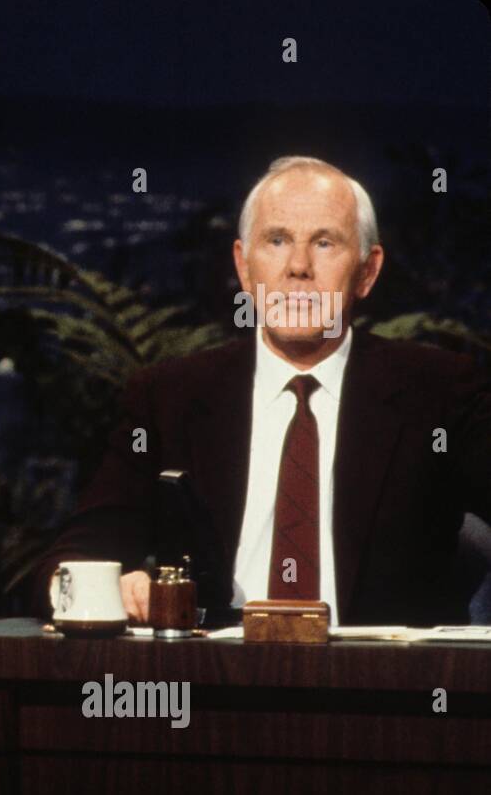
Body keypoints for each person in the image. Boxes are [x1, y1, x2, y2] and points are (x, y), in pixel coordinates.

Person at [31, 156, 491, 627]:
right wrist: (114, 587)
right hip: (214, 680)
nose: (298, 267)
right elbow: (75, 558)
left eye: (325, 242)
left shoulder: (439, 391)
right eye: (277, 241)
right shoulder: (169, 398)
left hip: (380, 686)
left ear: (368, 272)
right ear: (244, 268)